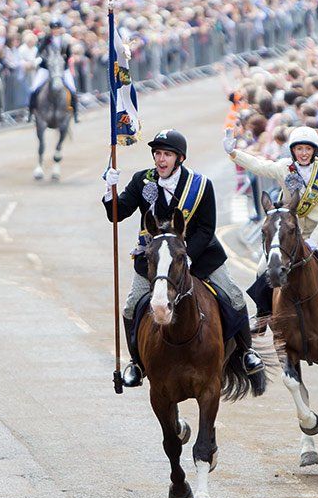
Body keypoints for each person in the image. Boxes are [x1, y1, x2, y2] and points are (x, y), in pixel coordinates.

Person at [103, 129, 263, 387]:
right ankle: (136, 363)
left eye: (167, 154)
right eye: (157, 154)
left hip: (198, 256)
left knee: (233, 295)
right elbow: (117, 214)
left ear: (180, 159)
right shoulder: (141, 181)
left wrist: (187, 256)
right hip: (154, 259)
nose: (160, 160)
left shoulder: (201, 185)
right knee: (132, 305)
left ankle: (247, 352)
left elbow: (206, 229)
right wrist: (110, 191)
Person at [224, 126, 318, 339]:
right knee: (262, 270)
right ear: (293, 150)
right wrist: (233, 153)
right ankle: (263, 315)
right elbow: (259, 166)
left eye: (308, 149)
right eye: (299, 149)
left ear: (314, 151)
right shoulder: (285, 167)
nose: (303, 153)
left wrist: (315, 240)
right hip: (291, 230)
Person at [31, 19, 78, 123]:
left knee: (72, 89)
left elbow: (69, 55)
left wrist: (61, 62)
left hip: (62, 69)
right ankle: (31, 112)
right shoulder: (45, 39)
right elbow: (39, 53)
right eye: (54, 29)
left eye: (57, 28)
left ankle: (75, 113)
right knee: (34, 88)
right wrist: (46, 60)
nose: (55, 30)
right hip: (46, 69)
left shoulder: (65, 41)